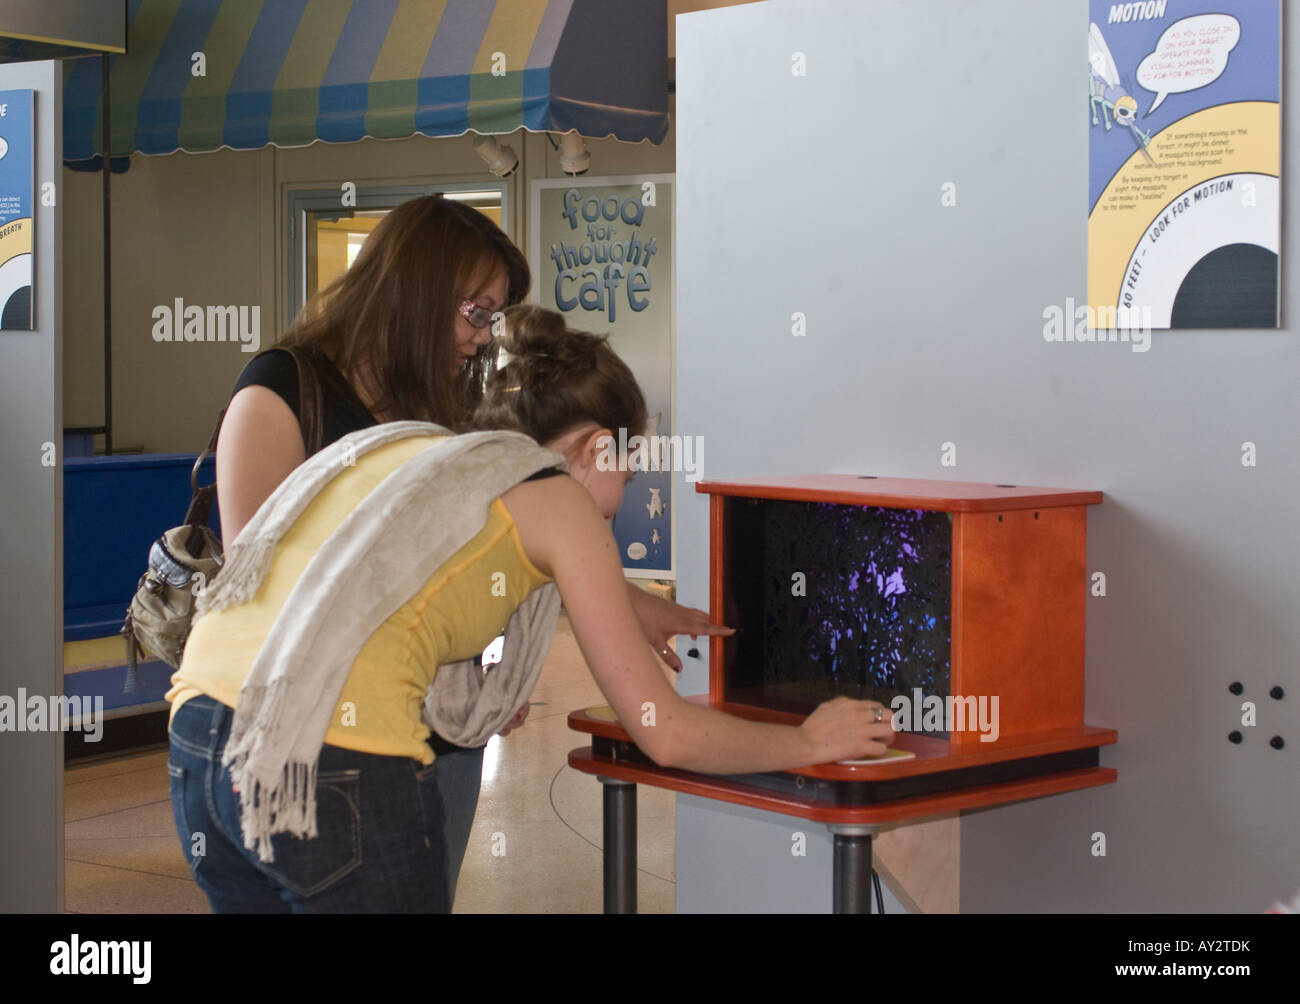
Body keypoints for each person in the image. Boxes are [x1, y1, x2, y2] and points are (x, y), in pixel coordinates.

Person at [166, 305, 897, 913]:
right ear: (599, 446)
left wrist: (623, 607)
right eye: (631, 468)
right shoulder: (555, 499)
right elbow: (666, 733)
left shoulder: (429, 455)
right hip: (325, 756)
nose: (627, 492)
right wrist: (809, 742)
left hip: (200, 735)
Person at [210, 194, 719, 900]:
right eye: (472, 311)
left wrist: (607, 611)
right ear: (411, 289)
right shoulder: (283, 391)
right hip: (312, 739)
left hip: (427, 736)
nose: (482, 336)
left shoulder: (439, 405)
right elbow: (263, 591)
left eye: (492, 316)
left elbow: (480, 548)